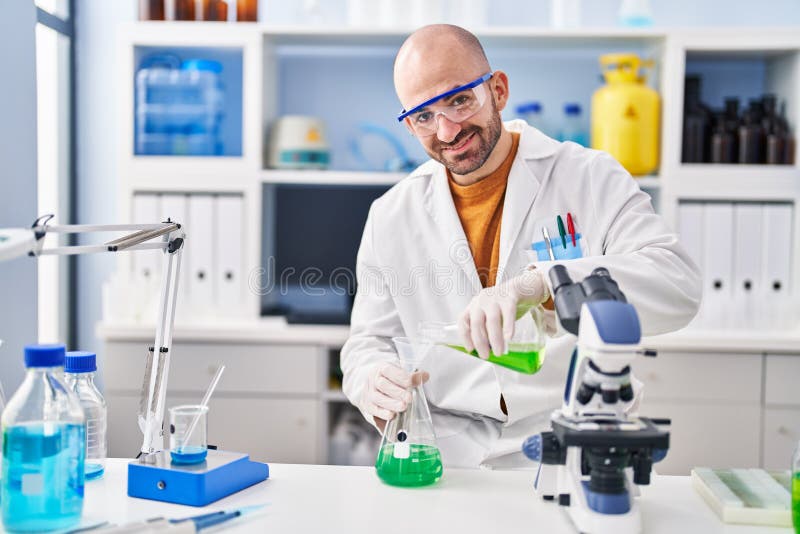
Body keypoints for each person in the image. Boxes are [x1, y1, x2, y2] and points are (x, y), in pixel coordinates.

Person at [340, 24, 701, 468]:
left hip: (573, 444)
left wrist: (545, 284)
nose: (448, 129)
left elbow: (679, 285)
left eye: (459, 100)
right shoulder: (390, 215)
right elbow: (368, 343)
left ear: (498, 90)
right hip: (448, 456)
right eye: (423, 116)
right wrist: (372, 379)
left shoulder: (589, 177)